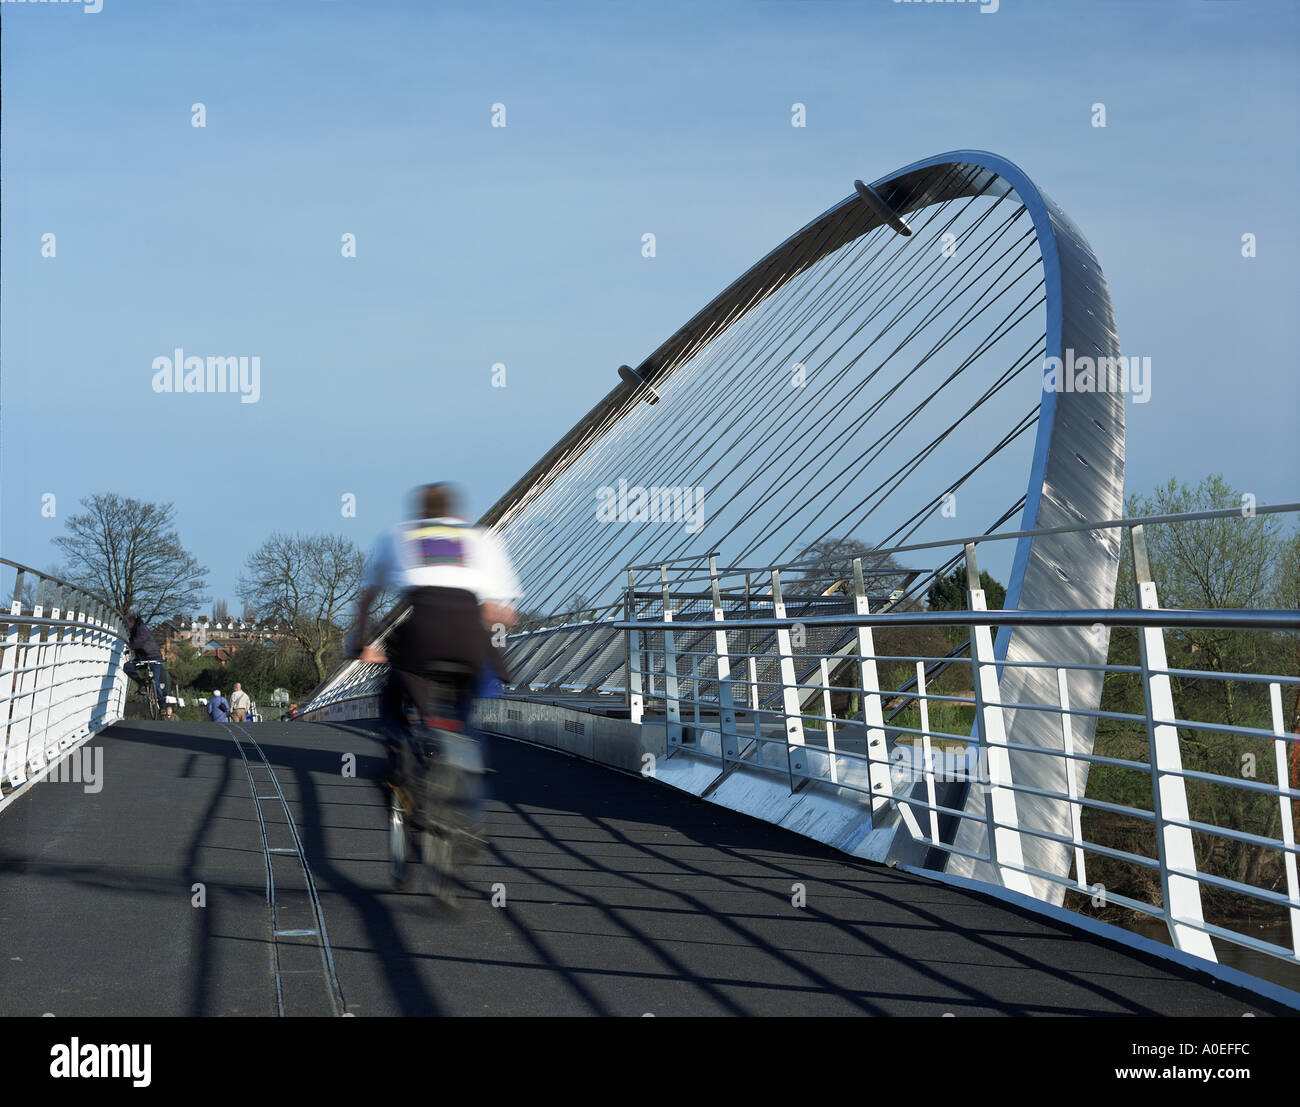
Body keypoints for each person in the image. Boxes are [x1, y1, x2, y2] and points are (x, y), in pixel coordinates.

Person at [352, 482, 522, 791]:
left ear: (421, 513)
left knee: (391, 698)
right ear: (457, 513)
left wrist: (359, 646)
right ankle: (467, 816)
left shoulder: (399, 535)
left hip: (420, 643)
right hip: (471, 646)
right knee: (463, 724)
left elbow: (367, 599)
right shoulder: (482, 539)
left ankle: (401, 754)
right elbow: (507, 613)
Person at [123, 613, 166, 702]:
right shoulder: (134, 630)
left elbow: (137, 643)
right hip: (143, 659)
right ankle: (141, 683)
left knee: (155, 682)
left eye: (126, 624)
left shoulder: (141, 629)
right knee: (127, 667)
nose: (126, 626)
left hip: (154, 657)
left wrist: (127, 644)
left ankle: (161, 703)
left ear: (131, 622)